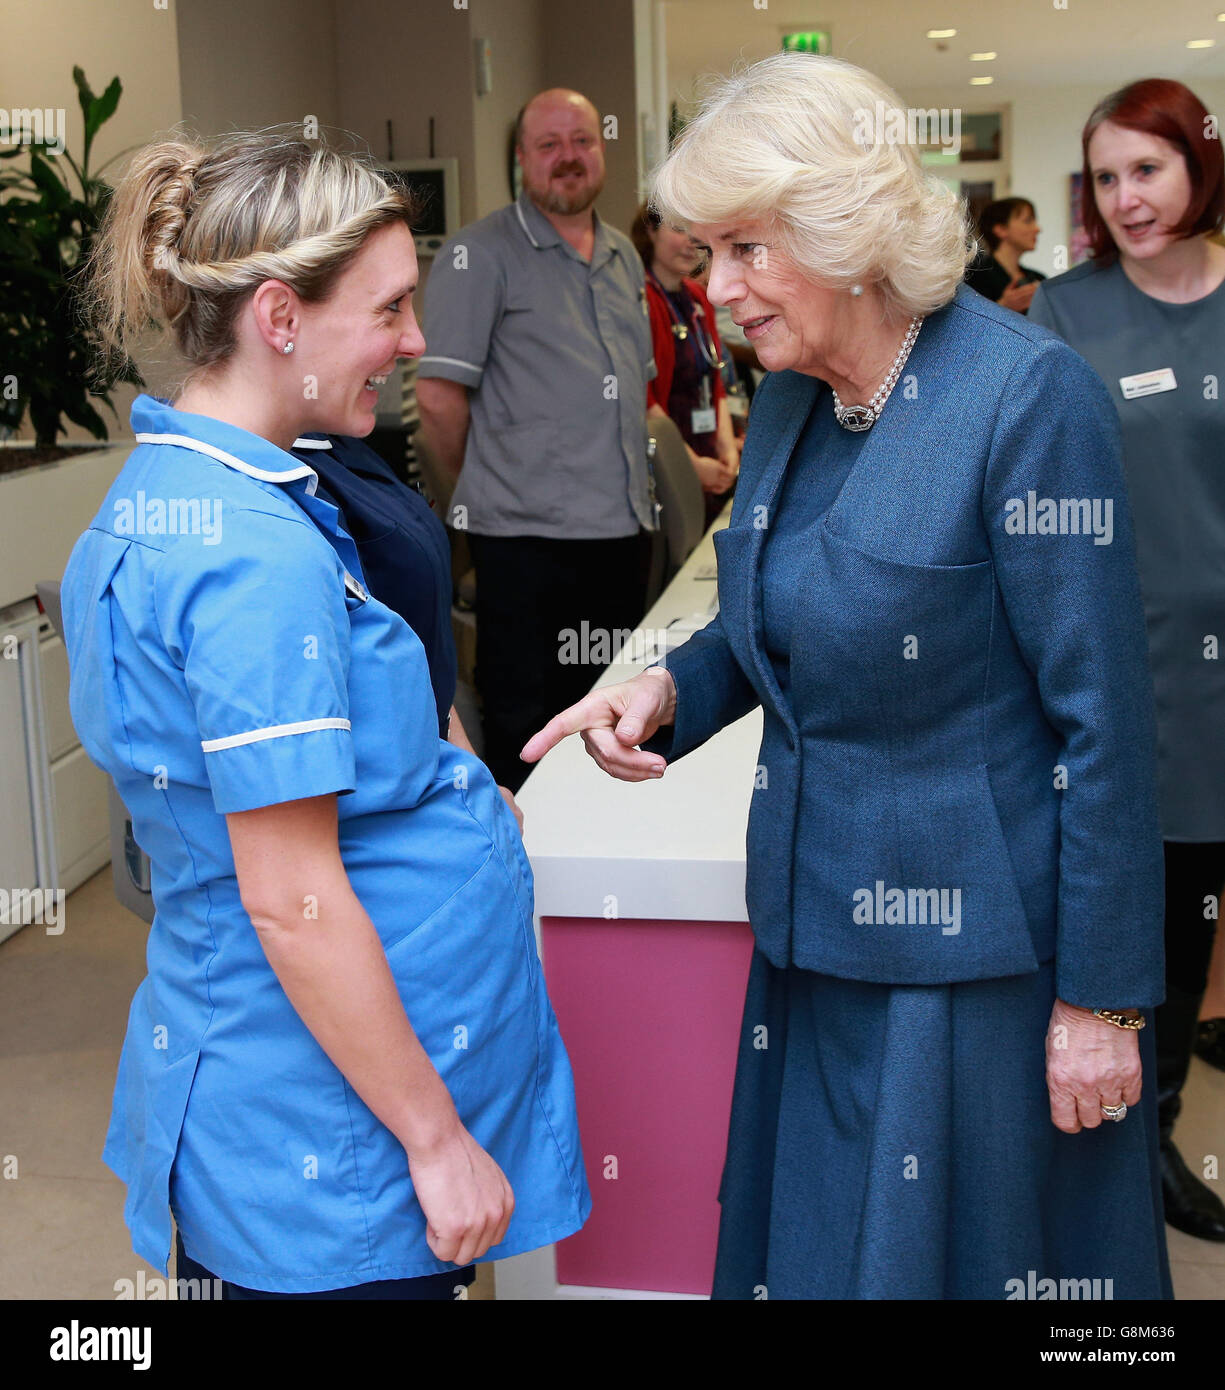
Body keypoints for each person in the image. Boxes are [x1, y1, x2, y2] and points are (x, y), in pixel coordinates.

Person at [523, 53, 1171, 1299]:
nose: (715, 291)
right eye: (704, 253)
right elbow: (780, 616)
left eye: (744, 250)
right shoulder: (791, 401)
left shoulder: (1026, 398)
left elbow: (1106, 730)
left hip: (971, 977)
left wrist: (1102, 1003)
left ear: (844, 229)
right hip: (812, 942)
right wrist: (663, 688)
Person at [62, 131, 590, 1298]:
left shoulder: (198, 494)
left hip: (296, 1106)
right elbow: (290, 896)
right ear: (278, 318)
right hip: (330, 1152)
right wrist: (437, 1141)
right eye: (392, 307)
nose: (414, 341)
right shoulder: (249, 559)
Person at [1029, 77, 1225, 1244]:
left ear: (1199, 162)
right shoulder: (1065, 313)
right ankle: (1135, 1150)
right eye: (1105, 178)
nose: (1125, 198)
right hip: (1129, 672)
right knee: (1141, 920)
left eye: (1144, 169)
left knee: (1201, 910)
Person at [416, 88, 657, 793]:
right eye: (547, 145)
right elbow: (437, 397)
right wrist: (481, 486)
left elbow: (632, 395)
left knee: (615, 717)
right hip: (525, 542)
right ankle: (526, 884)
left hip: (620, 531)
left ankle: (605, 880)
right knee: (529, 730)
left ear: (601, 149)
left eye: (581, 140)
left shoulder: (621, 257)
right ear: (520, 160)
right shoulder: (479, 255)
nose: (567, 157)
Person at [630, 203, 739, 525]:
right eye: (679, 229)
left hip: (707, 455)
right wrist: (691, 465)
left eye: (698, 232)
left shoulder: (696, 296)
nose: (692, 241)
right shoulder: (639, 301)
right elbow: (643, 401)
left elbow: (714, 378)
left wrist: (726, 450)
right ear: (650, 231)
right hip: (667, 463)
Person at [965, 196, 1046, 313]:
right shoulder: (974, 275)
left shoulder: (1038, 278)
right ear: (1000, 230)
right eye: (1027, 221)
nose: (1037, 229)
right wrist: (1002, 306)